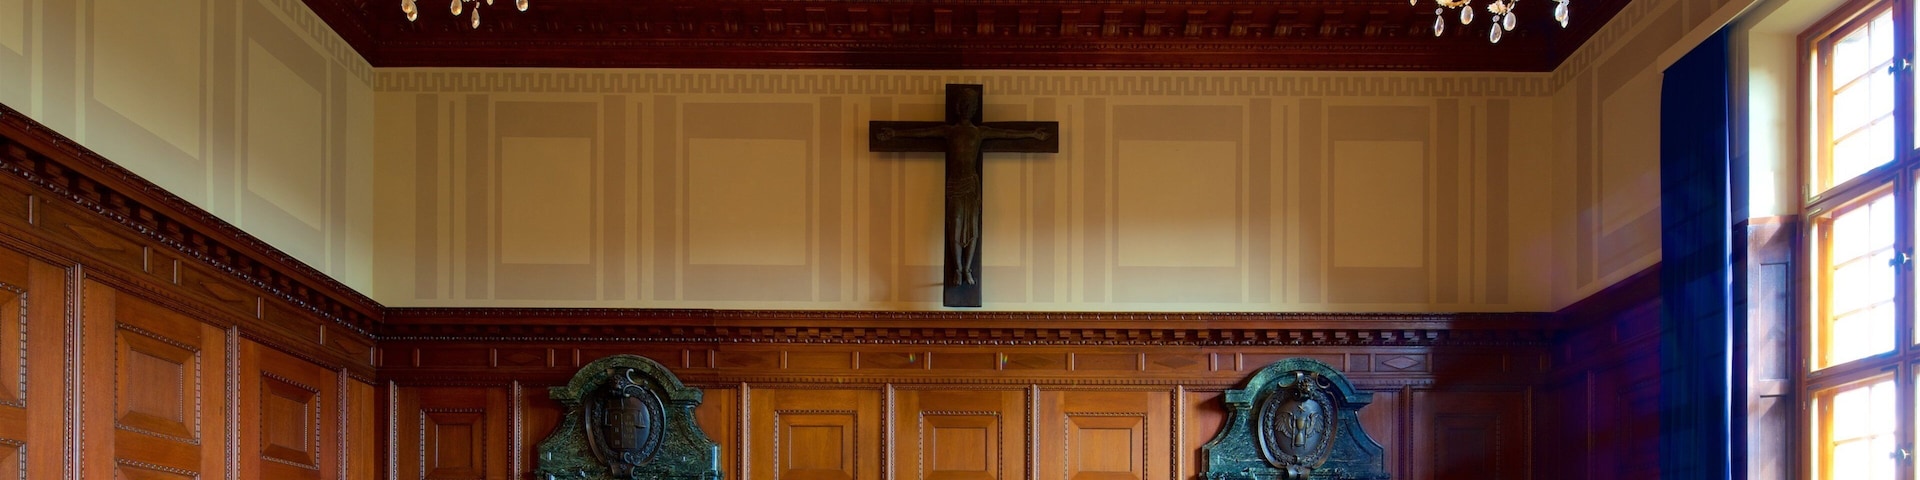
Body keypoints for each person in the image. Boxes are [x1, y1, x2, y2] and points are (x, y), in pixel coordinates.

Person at [875, 87, 1050, 285]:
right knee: (955, 223)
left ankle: (967, 269)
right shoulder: (949, 131)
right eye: (963, 104)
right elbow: (921, 133)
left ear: (975, 108)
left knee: (973, 227)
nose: (966, 107)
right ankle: (957, 268)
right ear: (958, 107)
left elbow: (1008, 134)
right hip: (956, 185)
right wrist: (894, 133)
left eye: (970, 104)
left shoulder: (980, 132)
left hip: (971, 185)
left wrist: (1033, 134)